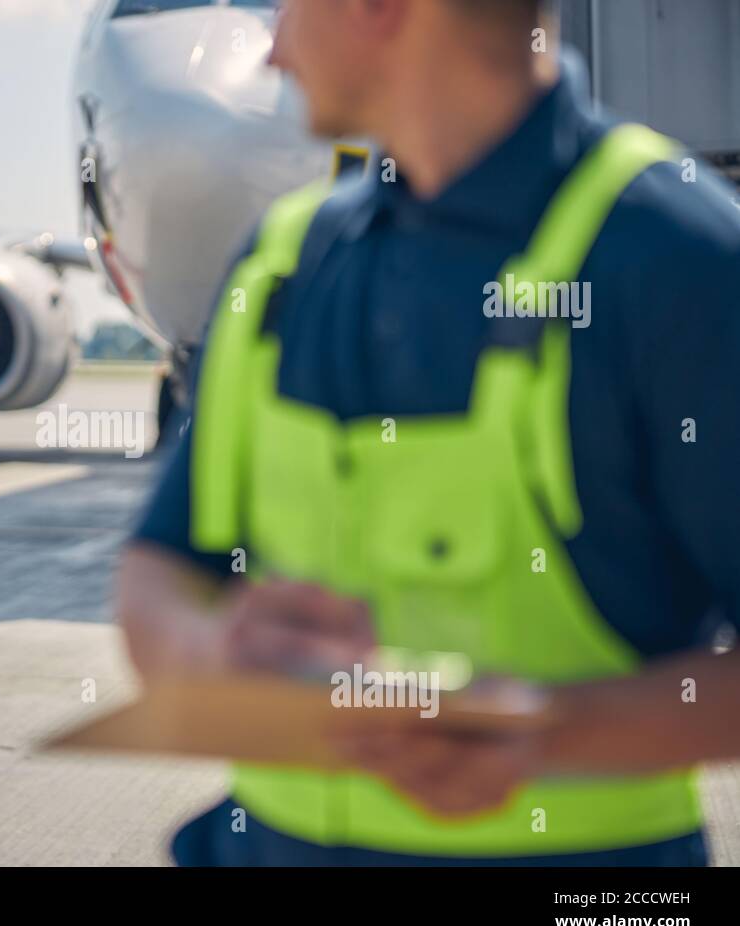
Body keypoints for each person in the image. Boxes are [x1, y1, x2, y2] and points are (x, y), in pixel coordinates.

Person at [117, 0, 740, 865]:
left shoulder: (680, 259)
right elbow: (161, 562)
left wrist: (550, 738)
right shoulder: (280, 262)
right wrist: (202, 651)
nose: (273, 50)